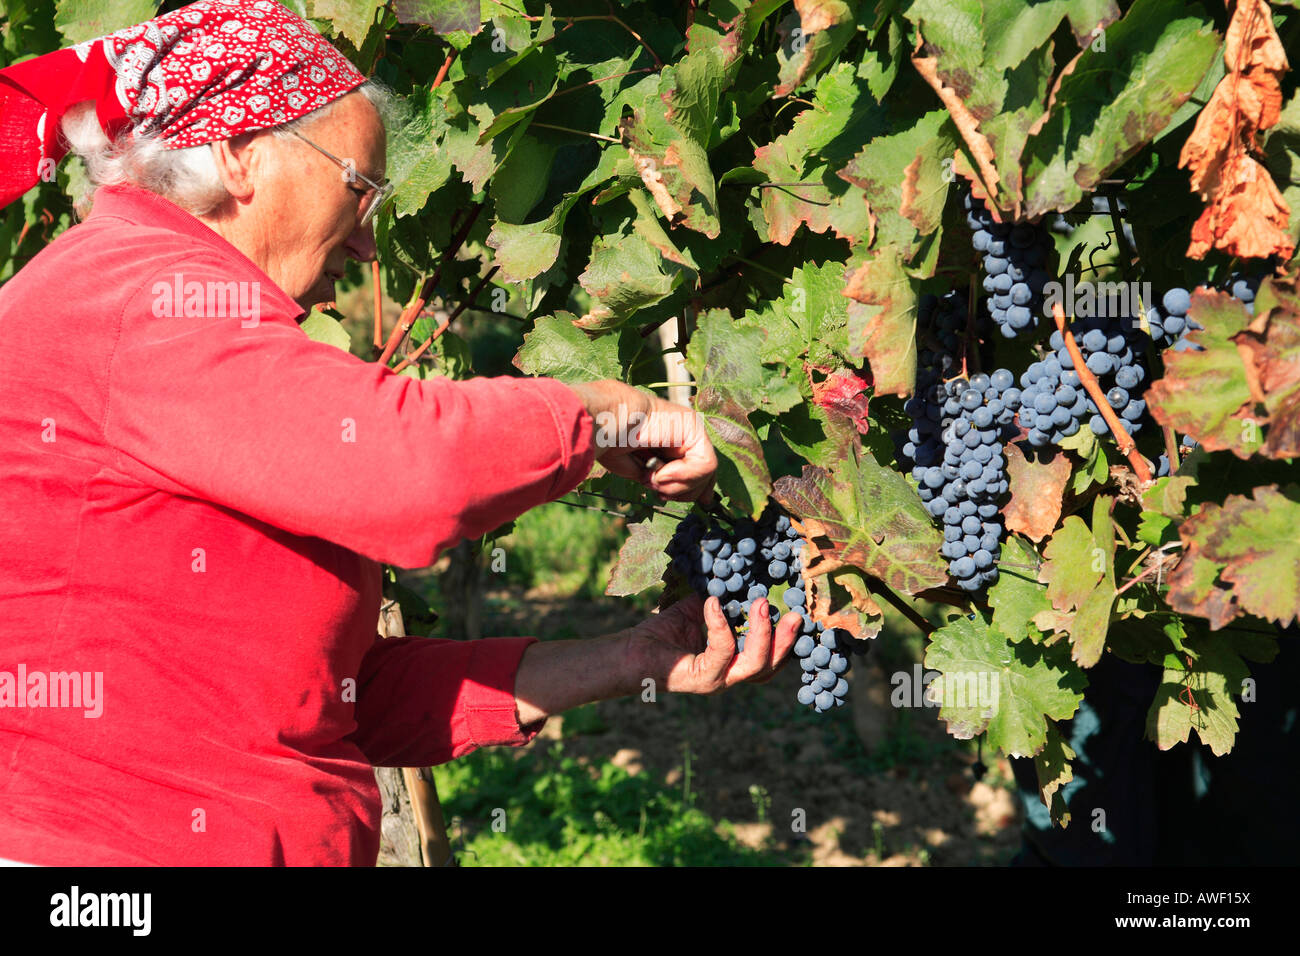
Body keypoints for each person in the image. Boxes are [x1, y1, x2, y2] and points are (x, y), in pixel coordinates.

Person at [0, 0, 799, 866]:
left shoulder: (172, 309)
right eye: (360, 185)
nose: (373, 239)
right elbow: (411, 466)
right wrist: (603, 407)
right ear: (240, 154)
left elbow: (343, 698)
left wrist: (629, 658)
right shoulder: (139, 295)